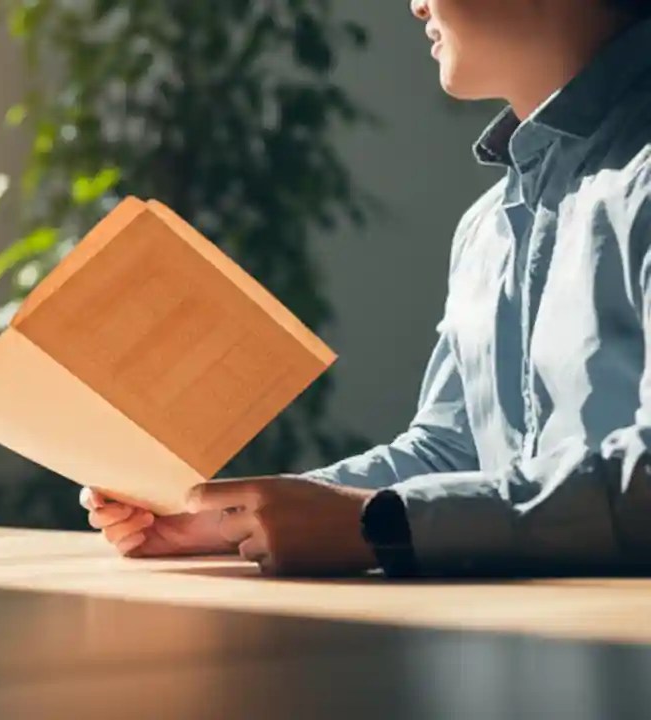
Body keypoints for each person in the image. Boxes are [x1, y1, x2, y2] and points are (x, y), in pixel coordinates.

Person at [83, 0, 651, 577]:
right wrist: (225, 517)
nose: (415, 4)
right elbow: (452, 454)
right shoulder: (488, 227)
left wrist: (382, 526)